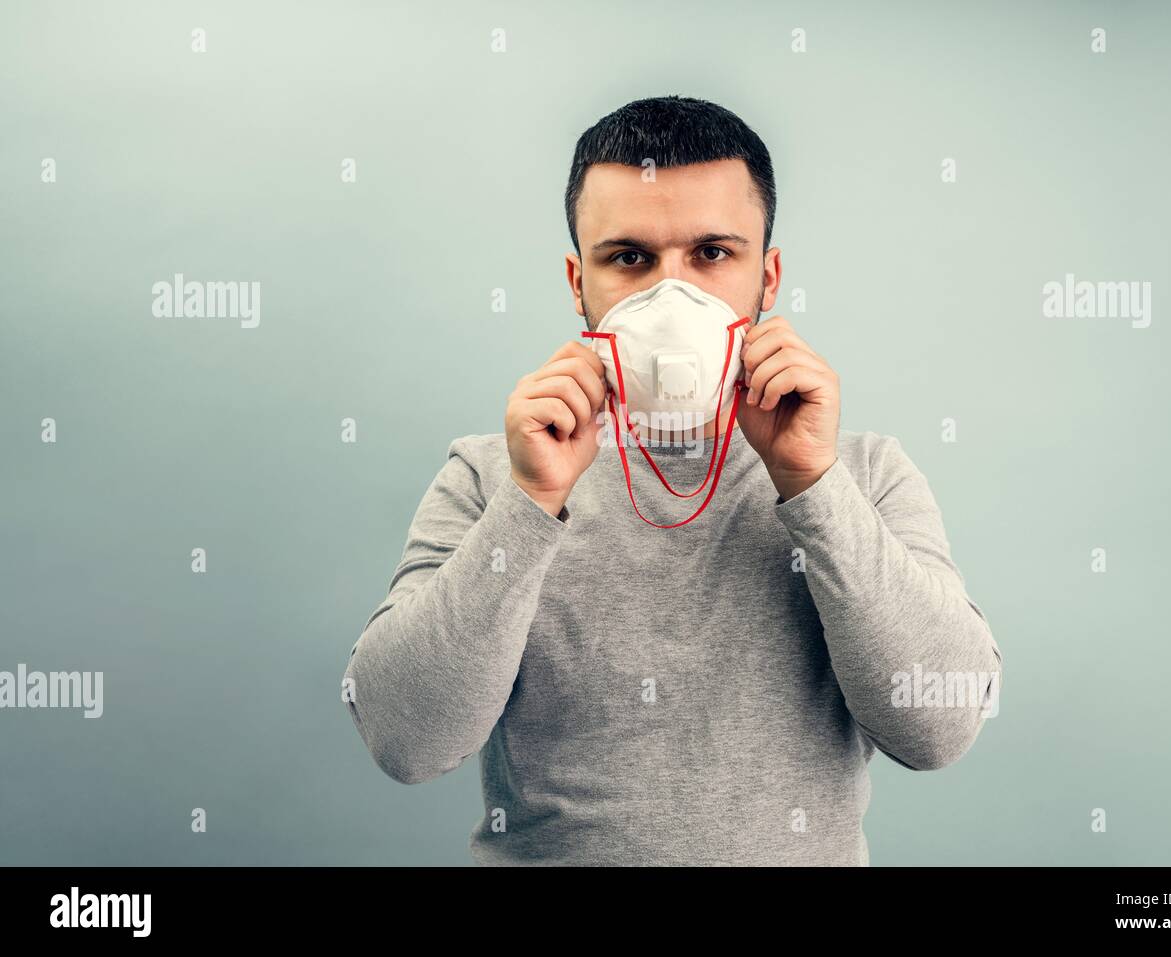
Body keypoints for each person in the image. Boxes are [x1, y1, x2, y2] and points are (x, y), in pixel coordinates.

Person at [341, 95, 1002, 866]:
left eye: (713, 253)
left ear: (769, 275)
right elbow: (404, 739)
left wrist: (811, 484)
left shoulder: (861, 473)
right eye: (629, 258)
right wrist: (531, 503)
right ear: (576, 280)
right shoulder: (493, 476)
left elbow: (939, 730)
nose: (671, 293)